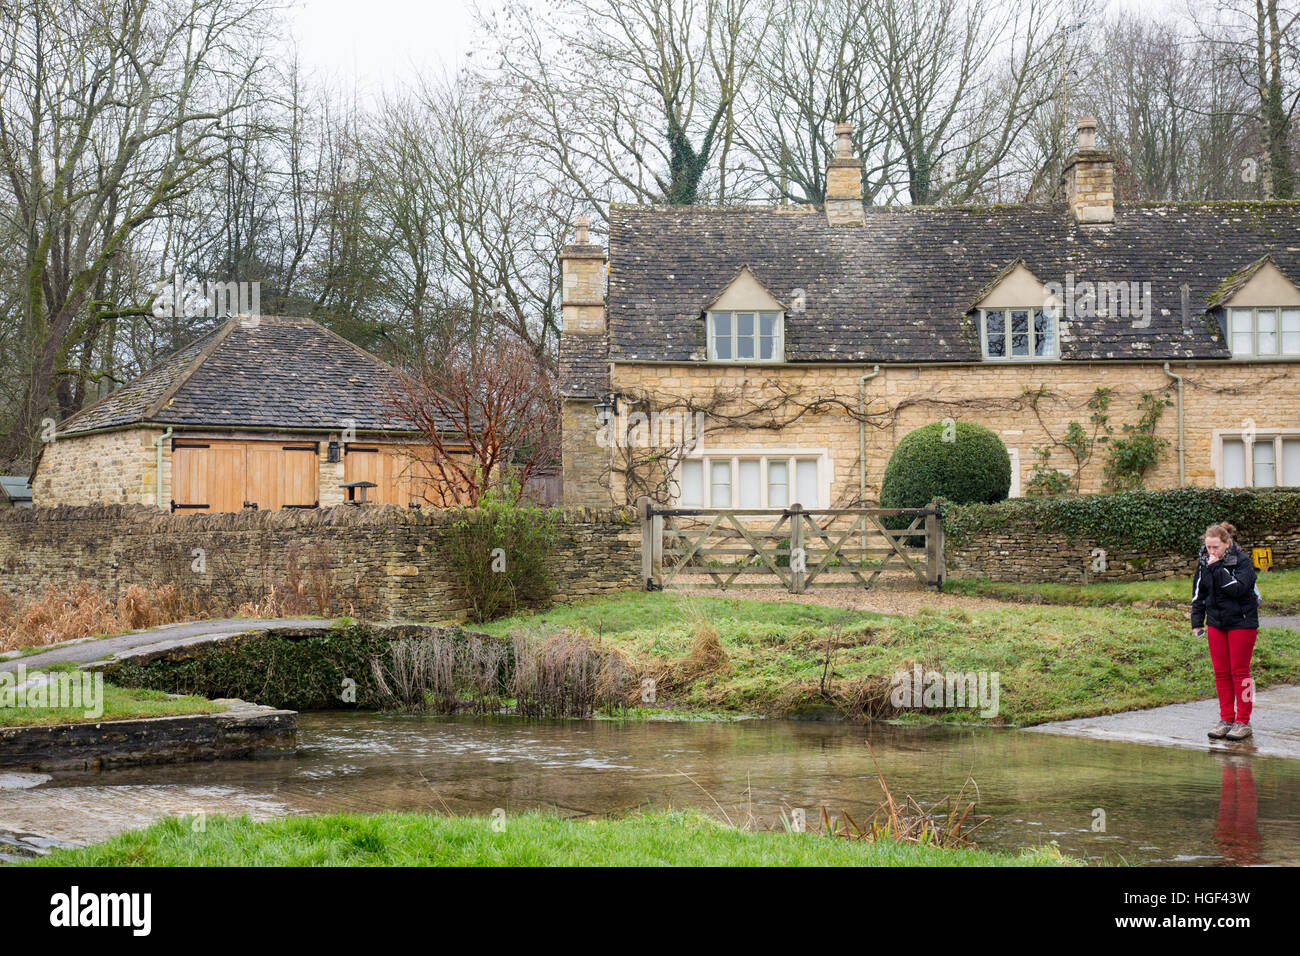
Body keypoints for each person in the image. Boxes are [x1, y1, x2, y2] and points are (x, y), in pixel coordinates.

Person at [1191, 522, 1259, 741]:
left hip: (1242, 622)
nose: (1211, 552)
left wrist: (1218, 568)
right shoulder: (1204, 562)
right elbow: (1198, 594)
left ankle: (1243, 721)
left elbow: (1239, 589)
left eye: (1215, 548)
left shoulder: (1242, 561)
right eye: (1208, 548)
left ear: (1226, 543)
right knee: (1221, 672)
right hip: (1216, 623)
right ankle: (1226, 719)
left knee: (1240, 671)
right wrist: (1197, 622)